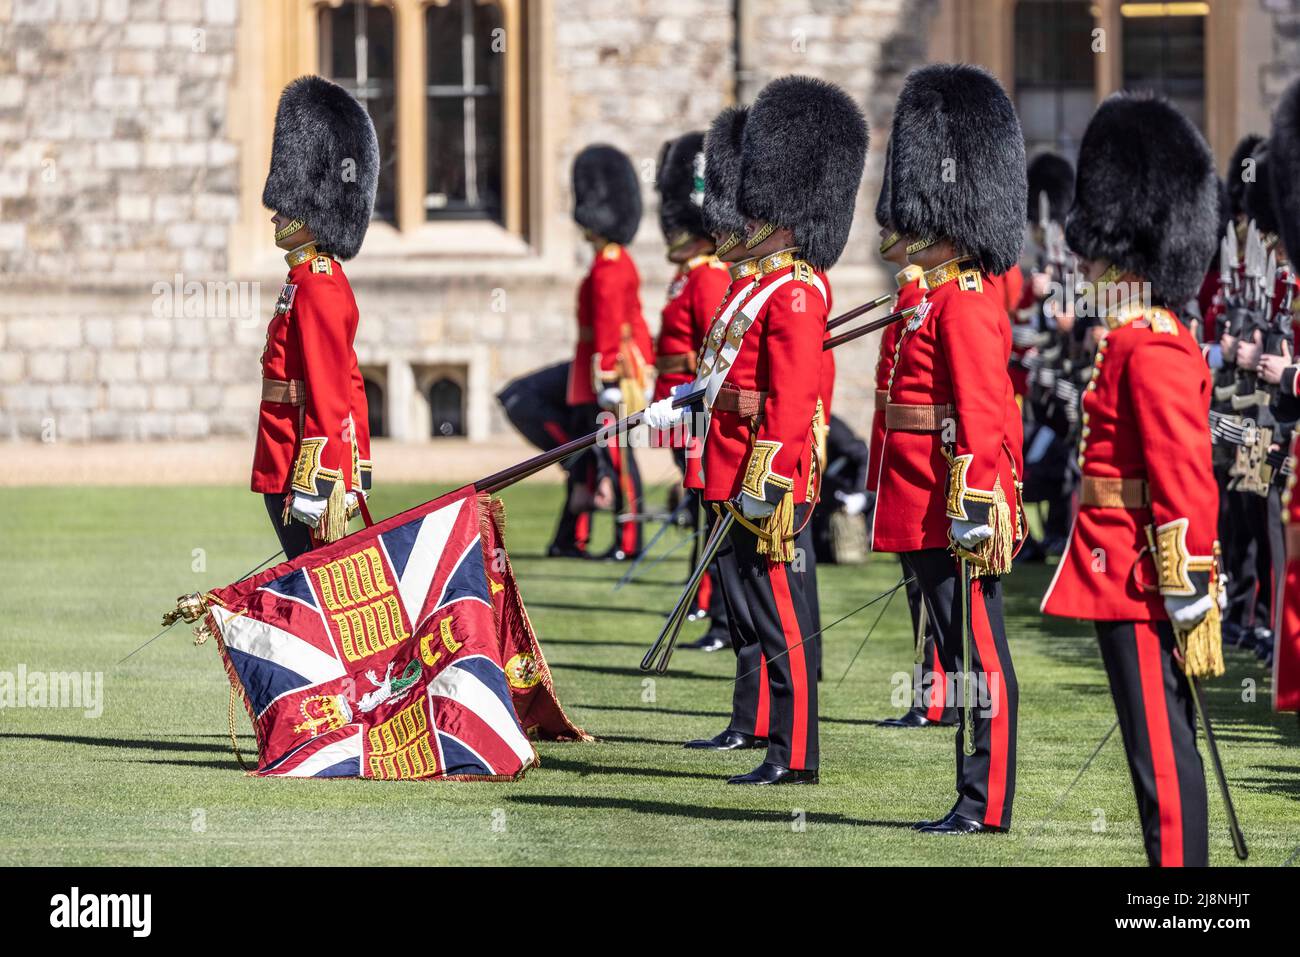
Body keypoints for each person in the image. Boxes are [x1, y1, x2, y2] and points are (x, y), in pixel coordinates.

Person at [647, 75, 868, 784]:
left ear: (781, 214)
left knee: (781, 624)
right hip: (729, 462)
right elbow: (727, 382)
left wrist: (765, 481)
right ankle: (770, 734)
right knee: (751, 613)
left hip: (762, 477)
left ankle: (794, 751)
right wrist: (681, 402)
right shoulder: (755, 286)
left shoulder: (796, 290)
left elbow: (792, 395)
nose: (732, 221)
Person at [1041, 91, 1223, 867]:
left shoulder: (1151, 347)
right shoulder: (1132, 337)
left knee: (1160, 753)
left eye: (1094, 249)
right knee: (1150, 750)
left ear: (1124, 247)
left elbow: (1183, 476)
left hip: (1146, 576)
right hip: (1119, 568)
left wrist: (1187, 585)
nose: (1082, 262)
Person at [872, 63, 1026, 833]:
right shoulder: (933, 298)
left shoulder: (965, 304)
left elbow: (982, 413)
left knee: (980, 660)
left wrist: (974, 504)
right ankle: (973, 796)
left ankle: (984, 801)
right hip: (922, 500)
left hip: (950, 503)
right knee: (960, 657)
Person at [251, 75, 377, 560]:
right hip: (284, 446)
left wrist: (321, 477)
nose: (276, 218)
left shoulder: (318, 286)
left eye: (284, 208)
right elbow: (351, 381)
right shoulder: (308, 279)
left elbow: (330, 387)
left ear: (309, 212)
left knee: (316, 583)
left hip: (299, 459)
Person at [867, 137, 956, 729]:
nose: (891, 243)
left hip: (928, 463)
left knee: (935, 592)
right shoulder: (911, 293)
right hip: (899, 456)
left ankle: (940, 696)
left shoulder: (929, 296)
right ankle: (932, 694)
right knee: (916, 589)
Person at [651, 131, 734, 647]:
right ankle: (705, 601)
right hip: (681, 403)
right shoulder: (688, 275)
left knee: (712, 511)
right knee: (701, 508)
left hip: (699, 404)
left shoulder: (706, 277)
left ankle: (714, 609)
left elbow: (712, 352)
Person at [551, 145, 654, 560]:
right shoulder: (606, 263)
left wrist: (608, 379)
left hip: (612, 373)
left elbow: (610, 329)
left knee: (617, 459)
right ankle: (599, 538)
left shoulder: (611, 268)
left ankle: (629, 542)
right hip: (599, 369)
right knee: (604, 455)